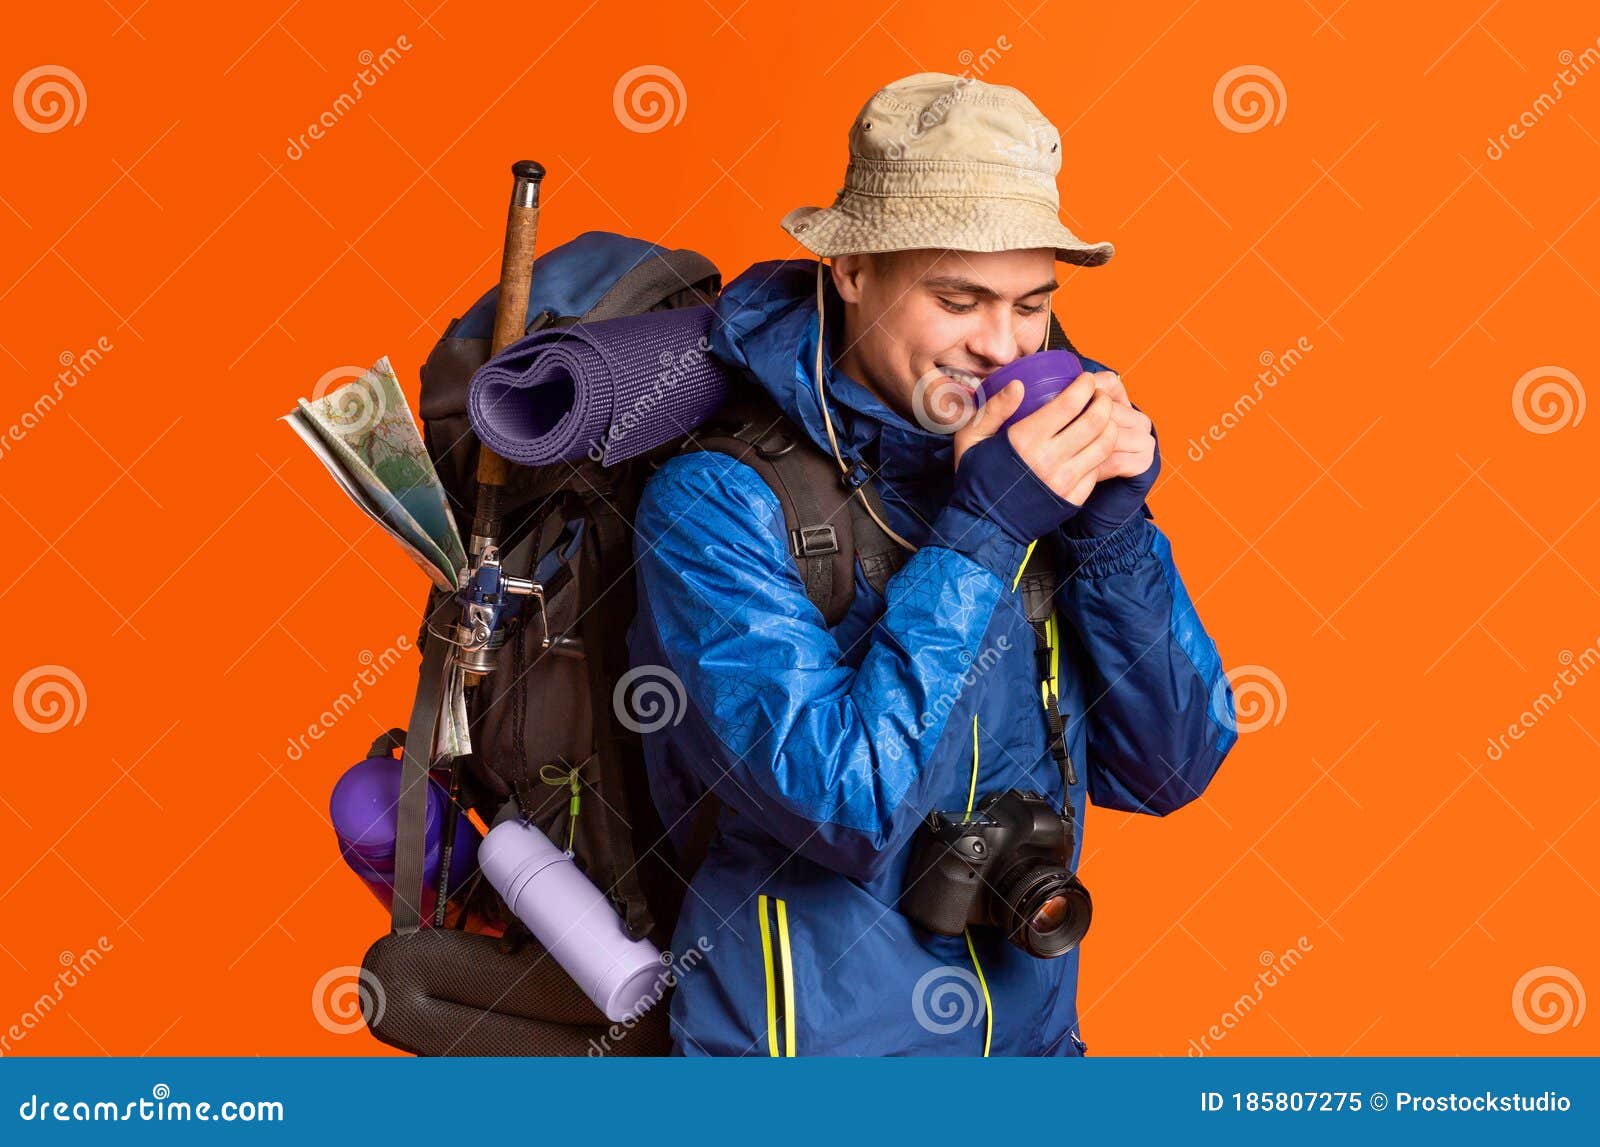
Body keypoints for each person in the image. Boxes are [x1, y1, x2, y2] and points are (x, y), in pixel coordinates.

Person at [625, 72, 1237, 1056]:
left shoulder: (1040, 483)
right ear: (853, 269)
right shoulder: (717, 503)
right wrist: (983, 529)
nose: (1000, 347)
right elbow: (845, 810)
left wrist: (1114, 536)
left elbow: (1169, 766)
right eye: (960, 300)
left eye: (1031, 304)